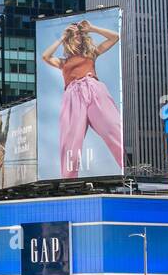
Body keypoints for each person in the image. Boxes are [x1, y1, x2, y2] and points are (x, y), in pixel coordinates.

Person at [41, 19, 124, 177]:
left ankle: (127, 169)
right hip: (72, 95)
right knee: (70, 141)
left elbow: (115, 37)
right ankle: (68, 182)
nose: (77, 36)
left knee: (113, 127)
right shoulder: (63, 62)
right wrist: (62, 37)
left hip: (93, 88)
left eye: (79, 34)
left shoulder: (91, 53)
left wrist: (92, 28)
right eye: (74, 35)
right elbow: (45, 56)